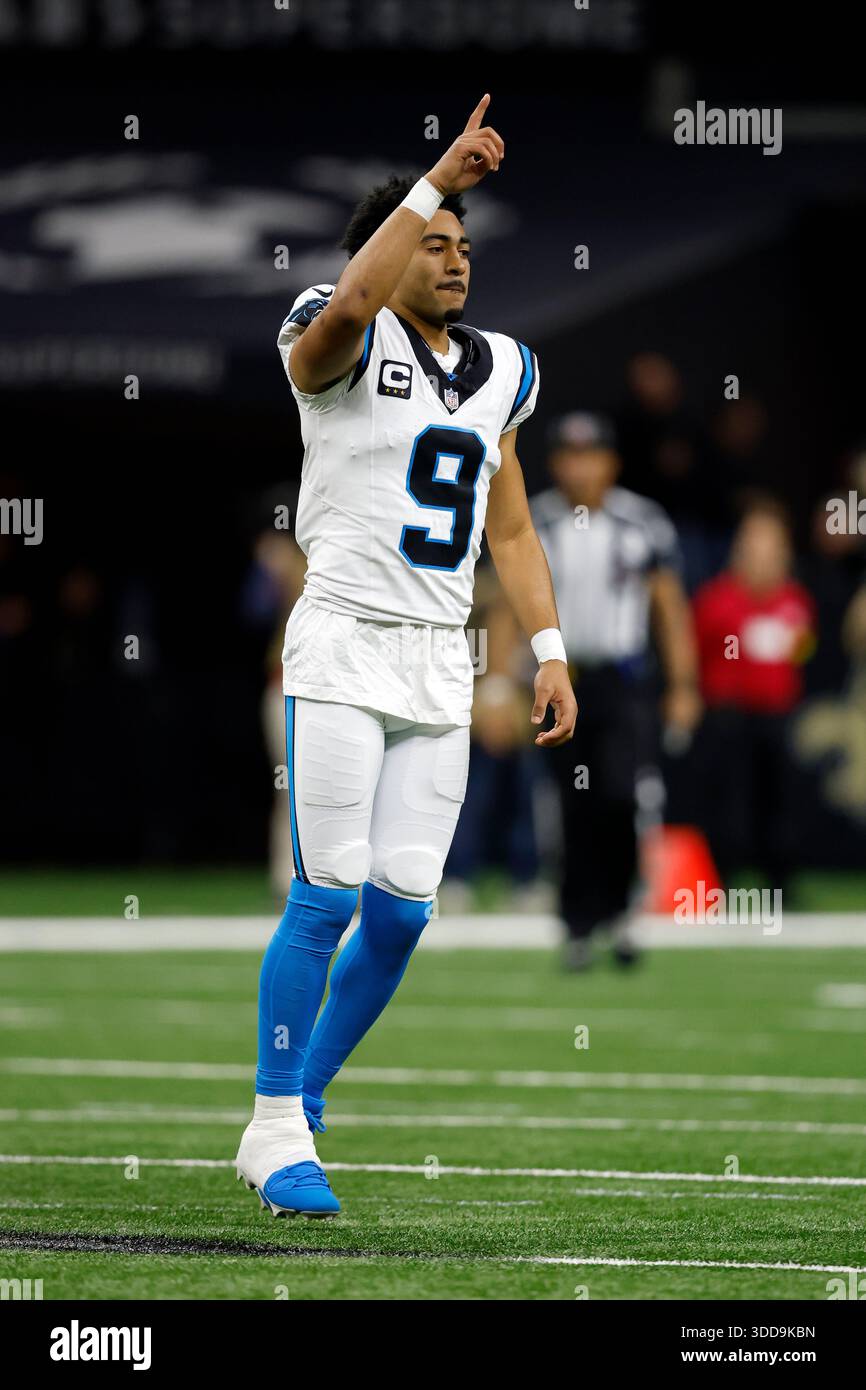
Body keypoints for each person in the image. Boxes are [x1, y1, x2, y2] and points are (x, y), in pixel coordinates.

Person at [235, 95, 577, 1217]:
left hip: (437, 655)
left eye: (464, 244)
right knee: (324, 891)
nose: (454, 257)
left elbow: (511, 527)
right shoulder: (328, 329)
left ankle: (306, 1091)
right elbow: (348, 311)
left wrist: (549, 650)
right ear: (387, 248)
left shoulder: (503, 372)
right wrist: (430, 180)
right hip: (339, 640)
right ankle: (273, 1124)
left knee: (403, 906)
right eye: (433, 239)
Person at [499, 412, 700, 970]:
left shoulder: (643, 522)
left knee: (624, 796)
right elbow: (507, 606)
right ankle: (578, 922)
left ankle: (625, 910)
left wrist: (683, 683)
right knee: (566, 806)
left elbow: (668, 606)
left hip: (621, 681)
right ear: (556, 462)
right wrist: (497, 684)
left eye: (591, 455)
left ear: (611, 462)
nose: (581, 467)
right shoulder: (532, 519)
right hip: (560, 679)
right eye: (569, 454)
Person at [691, 498, 816, 887]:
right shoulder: (717, 599)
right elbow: (698, 652)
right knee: (728, 800)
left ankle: (781, 880)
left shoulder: (795, 600)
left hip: (777, 717)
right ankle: (721, 877)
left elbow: (803, 650)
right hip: (728, 719)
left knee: (779, 800)